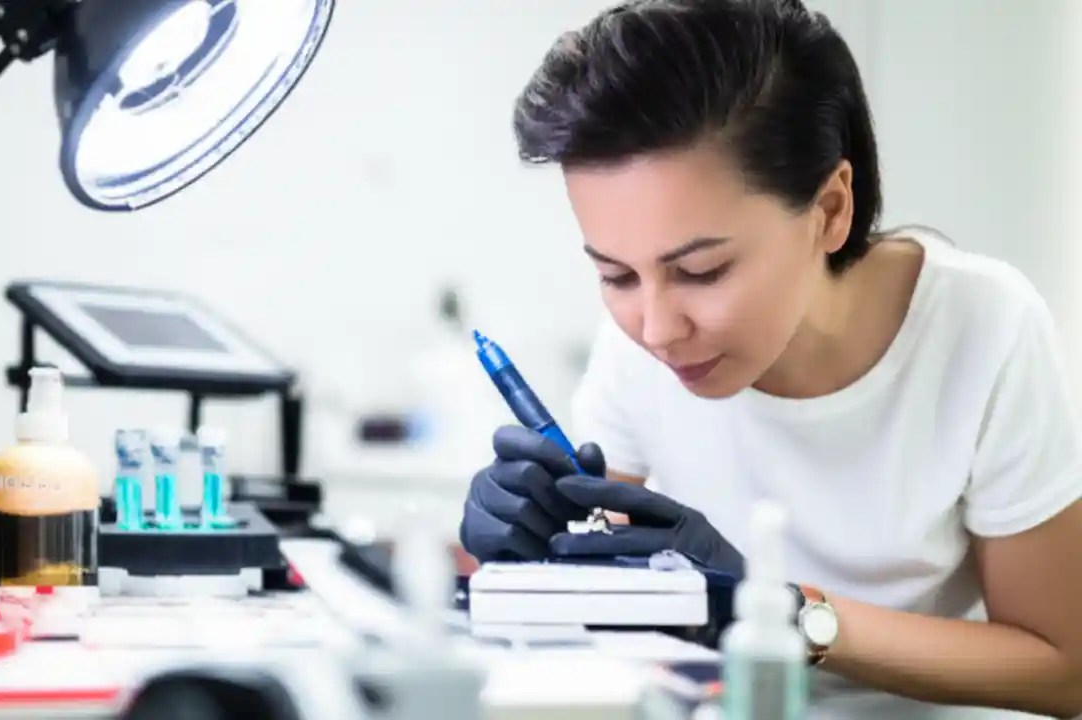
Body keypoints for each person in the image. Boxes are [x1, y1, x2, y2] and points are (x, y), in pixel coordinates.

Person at [458, 1, 1082, 717]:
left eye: (702, 272)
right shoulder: (634, 352)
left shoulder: (983, 328)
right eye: (617, 276)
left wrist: (782, 609)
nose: (657, 329)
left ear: (830, 210)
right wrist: (528, 553)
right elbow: (602, 585)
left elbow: (1062, 667)